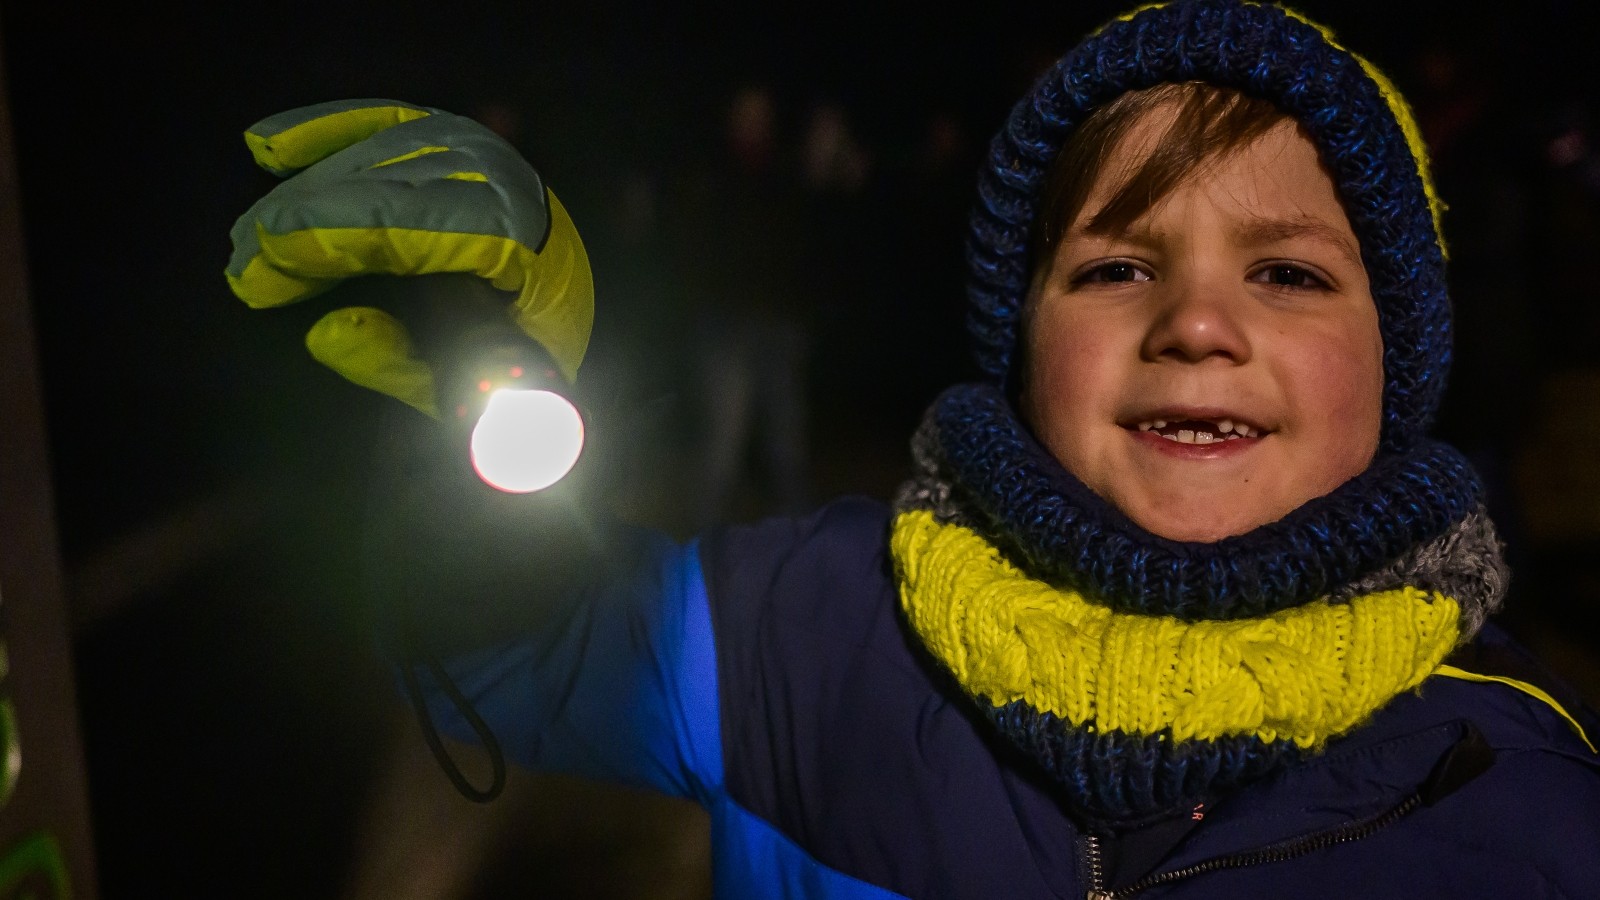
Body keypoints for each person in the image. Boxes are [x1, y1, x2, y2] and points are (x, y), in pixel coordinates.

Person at [224, 2, 1600, 897]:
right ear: (1020, 343)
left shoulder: (1514, 798)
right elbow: (505, 653)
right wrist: (448, 439)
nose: (1195, 321)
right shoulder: (814, 627)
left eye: (1291, 276)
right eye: (1116, 267)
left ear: (1403, 360)